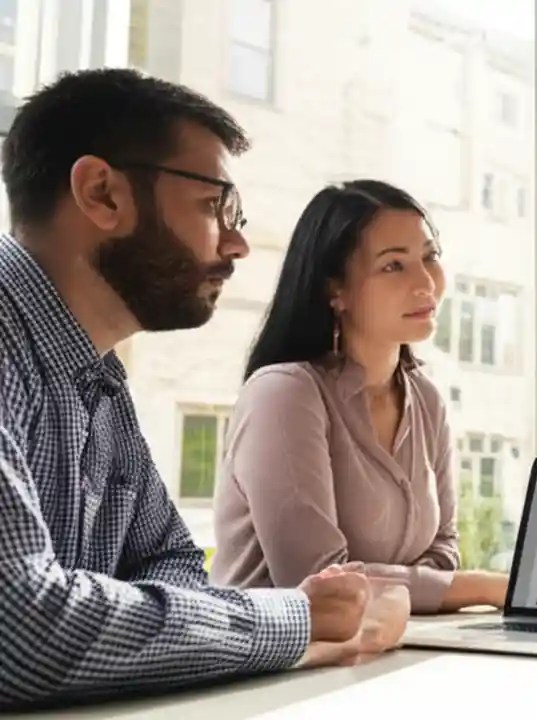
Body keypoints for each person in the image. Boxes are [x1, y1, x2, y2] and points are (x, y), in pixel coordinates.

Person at [0, 69, 409, 708]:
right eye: (217, 206)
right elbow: (22, 629)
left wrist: (94, 610)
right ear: (102, 193)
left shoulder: (98, 378)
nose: (239, 242)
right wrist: (296, 621)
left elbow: (174, 567)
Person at [211, 180, 508, 614]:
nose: (426, 281)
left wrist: (416, 596)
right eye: (394, 266)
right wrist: (482, 588)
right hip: (269, 668)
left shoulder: (426, 399)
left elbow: (443, 551)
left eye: (429, 257)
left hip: (385, 649)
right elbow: (316, 580)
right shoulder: (285, 394)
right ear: (336, 291)